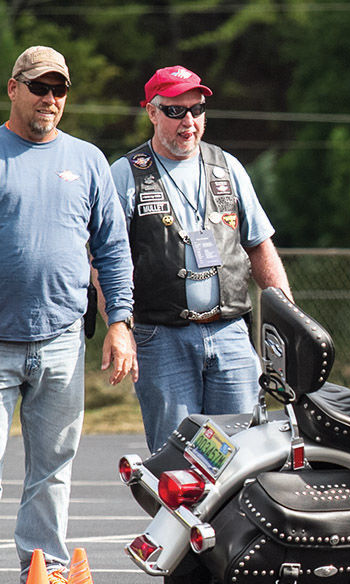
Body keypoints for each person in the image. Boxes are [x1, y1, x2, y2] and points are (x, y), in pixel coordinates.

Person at [0, 46, 135, 584]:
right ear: (12, 88)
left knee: (53, 470)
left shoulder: (87, 160)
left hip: (62, 339)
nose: (50, 99)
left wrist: (120, 324)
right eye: (39, 86)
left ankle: (48, 572)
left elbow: (113, 249)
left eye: (60, 89)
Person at [110, 65, 293, 453]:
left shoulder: (227, 166)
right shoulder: (125, 174)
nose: (188, 121)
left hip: (229, 333)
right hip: (161, 336)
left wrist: (288, 318)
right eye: (175, 111)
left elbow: (260, 246)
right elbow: (106, 259)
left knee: (244, 454)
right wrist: (119, 324)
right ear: (152, 112)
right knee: (177, 459)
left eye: (197, 109)